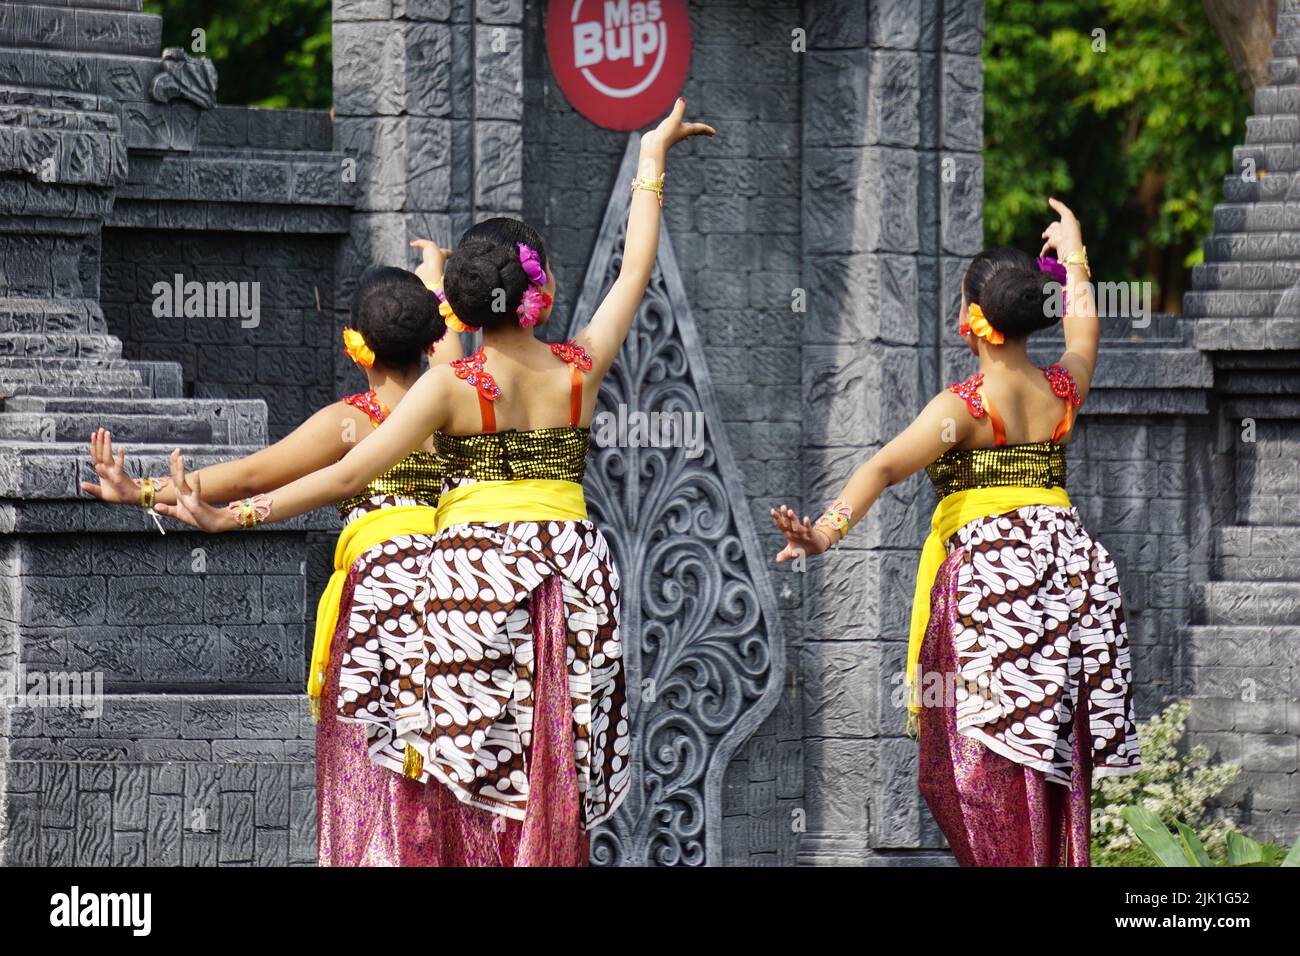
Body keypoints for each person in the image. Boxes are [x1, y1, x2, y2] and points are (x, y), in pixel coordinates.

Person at [150, 99, 715, 866]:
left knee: (461, 778)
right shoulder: (578, 369)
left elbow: (349, 472)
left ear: (461, 308)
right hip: (572, 575)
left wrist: (235, 516)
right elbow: (633, 273)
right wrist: (650, 161)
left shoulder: (453, 386)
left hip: (474, 582)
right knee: (548, 763)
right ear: (540, 295)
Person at [771, 199, 1140, 866]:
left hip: (990, 596)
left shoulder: (963, 408)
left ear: (972, 322)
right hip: (1067, 587)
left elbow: (882, 468)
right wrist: (1076, 255)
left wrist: (823, 534)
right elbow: (1084, 333)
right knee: (1041, 758)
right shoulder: (1062, 390)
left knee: (975, 768)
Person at [82, 258, 463, 866]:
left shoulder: (352, 423)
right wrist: (436, 278)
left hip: (382, 611)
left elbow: (250, 477)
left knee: (377, 775)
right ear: (430, 338)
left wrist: (143, 491)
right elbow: (450, 348)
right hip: (458, 604)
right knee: (451, 769)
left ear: (357, 348)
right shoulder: (458, 406)